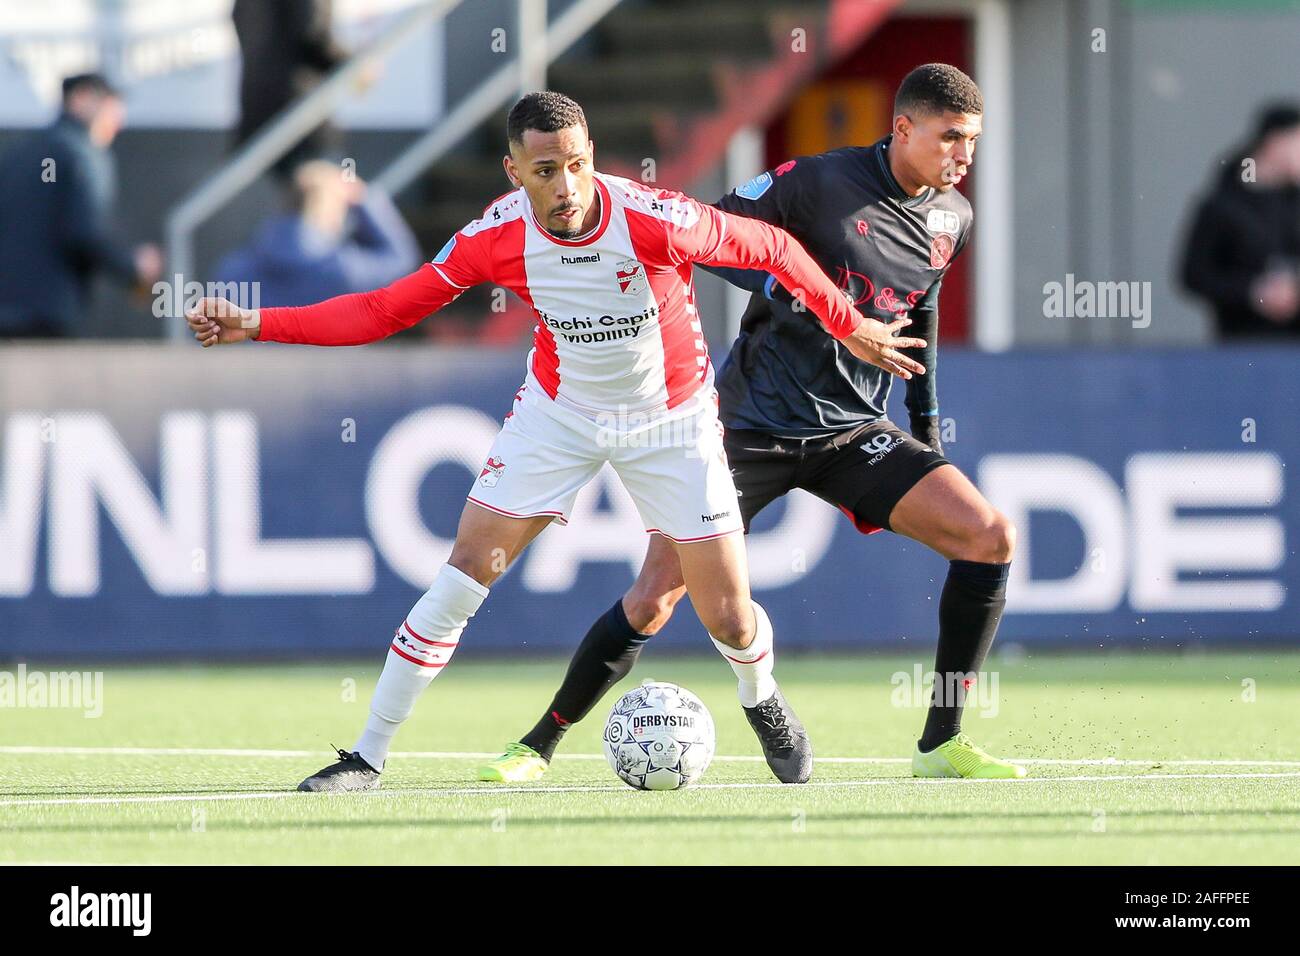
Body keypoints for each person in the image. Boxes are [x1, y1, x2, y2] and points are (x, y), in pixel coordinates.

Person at [184, 91, 927, 792]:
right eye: (545, 171)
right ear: (515, 173)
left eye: (576, 163)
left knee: (727, 615)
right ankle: (367, 755)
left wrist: (847, 322)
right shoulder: (495, 236)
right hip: (560, 414)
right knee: (464, 573)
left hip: (671, 420)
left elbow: (768, 244)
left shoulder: (653, 217)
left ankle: (760, 698)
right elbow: (386, 309)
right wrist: (261, 323)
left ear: (590, 152)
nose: (567, 184)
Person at [479, 63, 1027, 785]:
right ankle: (536, 746)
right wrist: (805, 289)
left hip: (853, 433)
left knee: (989, 536)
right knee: (653, 599)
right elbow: (710, 244)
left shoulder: (954, 218)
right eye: (951, 136)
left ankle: (941, 742)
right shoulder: (817, 182)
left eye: (973, 141)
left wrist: (925, 435)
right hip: (748, 430)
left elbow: (918, 318)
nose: (964, 155)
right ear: (902, 129)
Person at [0, 73, 161, 338]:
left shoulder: (20, 152)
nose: (116, 122)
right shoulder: (80, 153)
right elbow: (84, 231)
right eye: (112, 108)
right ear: (82, 98)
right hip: (47, 311)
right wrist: (133, 267)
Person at [214, 160, 420, 307]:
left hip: (247, 367)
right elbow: (402, 259)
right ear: (331, 213)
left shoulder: (233, 270)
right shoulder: (344, 271)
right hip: (328, 368)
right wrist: (363, 198)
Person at [1181, 103, 1300, 339]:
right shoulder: (1223, 204)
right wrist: (1253, 292)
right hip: (1243, 346)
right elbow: (1194, 274)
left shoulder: (1294, 202)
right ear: (1276, 141)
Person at [232, 0, 349, 179]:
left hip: (258, 113)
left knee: (301, 193)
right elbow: (313, 36)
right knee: (330, 187)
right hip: (300, 116)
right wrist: (356, 65)